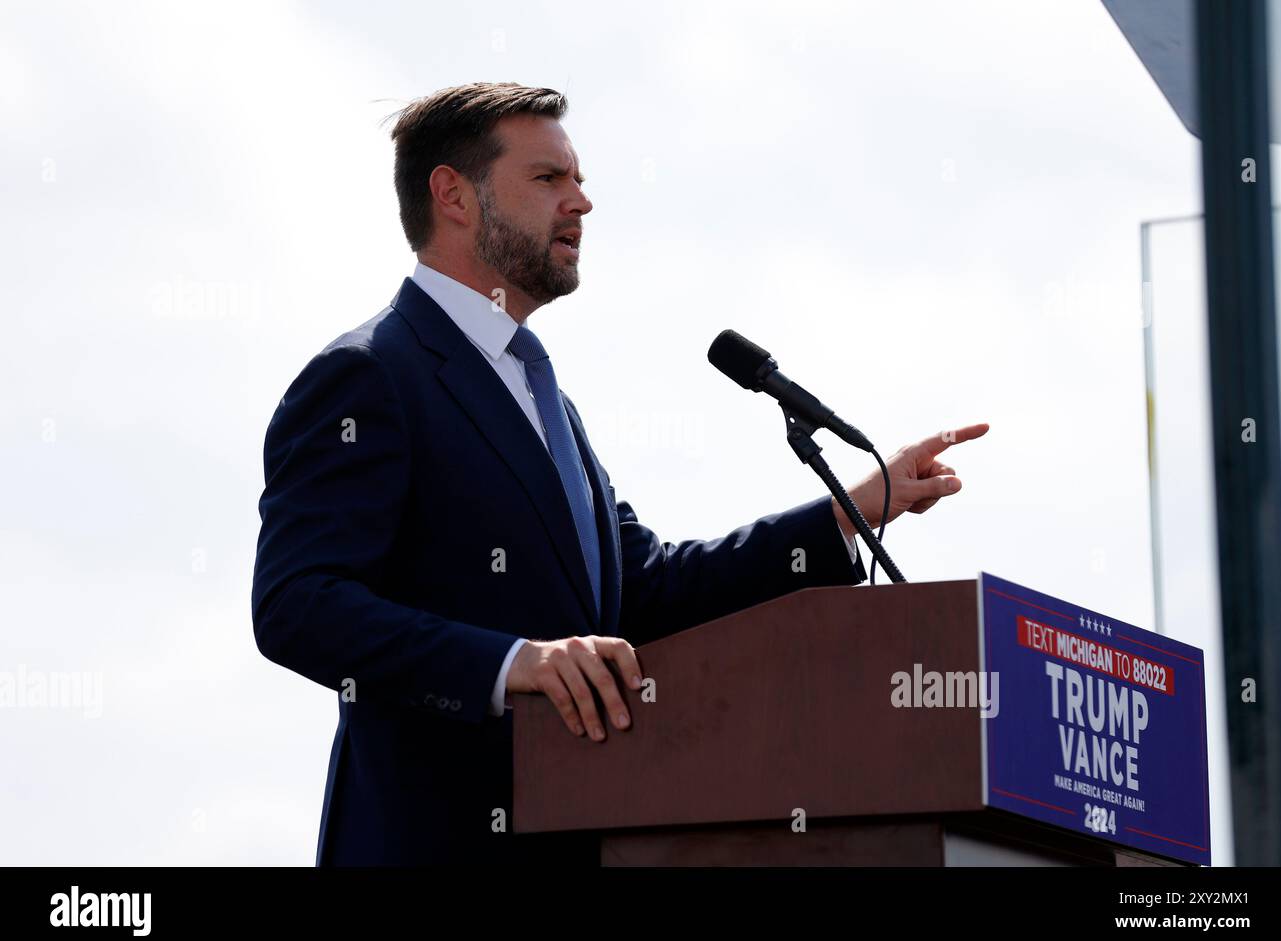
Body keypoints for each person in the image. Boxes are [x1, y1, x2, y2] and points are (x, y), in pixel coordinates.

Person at [251, 81, 989, 866]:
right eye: (548, 179)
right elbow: (299, 605)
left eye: (578, 178)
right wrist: (511, 664)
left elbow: (643, 589)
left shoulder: (543, 397)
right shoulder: (369, 376)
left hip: (583, 835)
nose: (582, 202)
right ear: (453, 196)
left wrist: (844, 515)